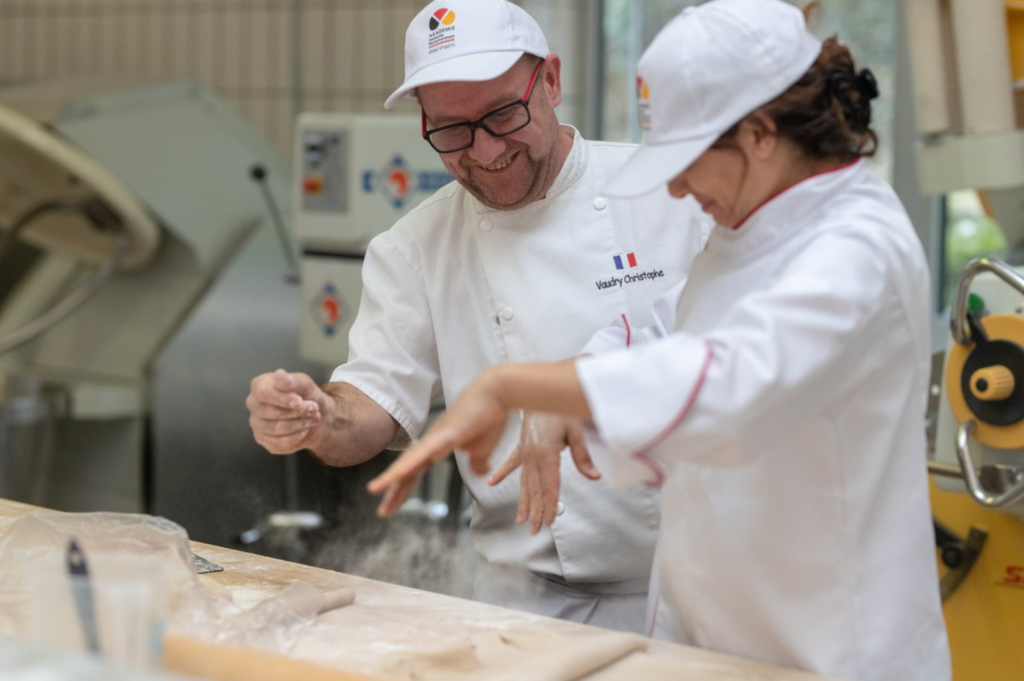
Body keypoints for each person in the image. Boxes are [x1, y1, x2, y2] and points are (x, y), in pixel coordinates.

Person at [367, 0, 951, 679]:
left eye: (687, 160)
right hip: (719, 638)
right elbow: (652, 325)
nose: (674, 186)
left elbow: (730, 385)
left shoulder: (856, 248)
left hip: (829, 649)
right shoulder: (751, 230)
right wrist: (572, 382)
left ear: (760, 133)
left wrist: (515, 384)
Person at [245, 0, 708, 633]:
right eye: (452, 131)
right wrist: (317, 418)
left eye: (500, 115)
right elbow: (369, 407)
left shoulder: (670, 193)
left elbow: (738, 360)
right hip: (522, 598)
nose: (484, 149)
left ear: (549, 80)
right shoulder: (415, 247)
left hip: (689, 584)